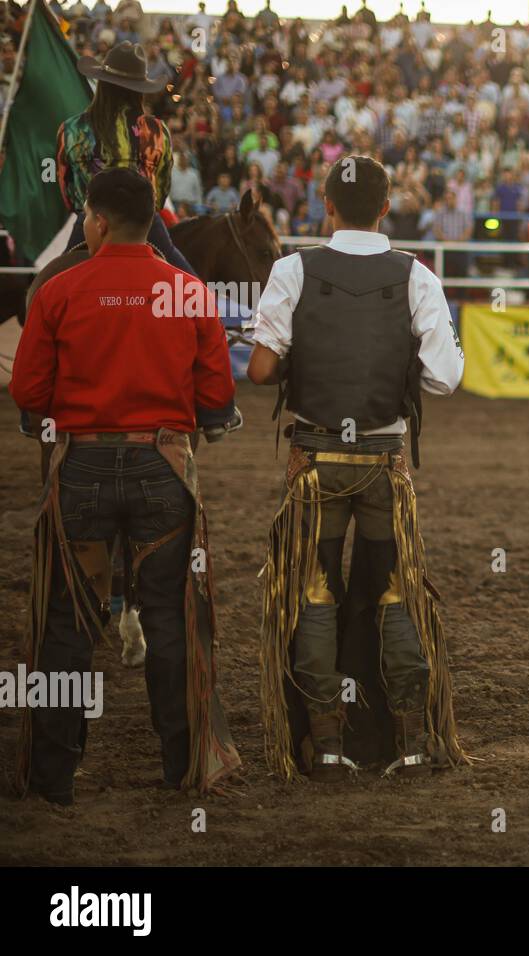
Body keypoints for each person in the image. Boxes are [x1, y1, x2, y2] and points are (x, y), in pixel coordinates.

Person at [9, 168, 241, 805]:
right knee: (170, 619)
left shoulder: (60, 289)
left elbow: (28, 392)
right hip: (162, 469)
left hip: (80, 469)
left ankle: (54, 776)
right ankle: (180, 767)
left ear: (98, 221)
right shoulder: (189, 293)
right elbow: (218, 396)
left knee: (66, 624)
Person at [246, 155, 467, 781]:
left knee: (314, 592)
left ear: (326, 204)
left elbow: (261, 370)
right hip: (383, 464)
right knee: (396, 592)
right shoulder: (415, 276)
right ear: (387, 205)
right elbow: (446, 378)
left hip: (314, 462)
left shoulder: (294, 269)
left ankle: (326, 743)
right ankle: (412, 740)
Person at [56, 42, 196, 274]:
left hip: (91, 221)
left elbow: (68, 194)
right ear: (139, 89)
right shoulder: (157, 131)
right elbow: (160, 195)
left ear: (101, 83)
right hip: (145, 227)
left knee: (48, 288)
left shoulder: (71, 129)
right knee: (194, 292)